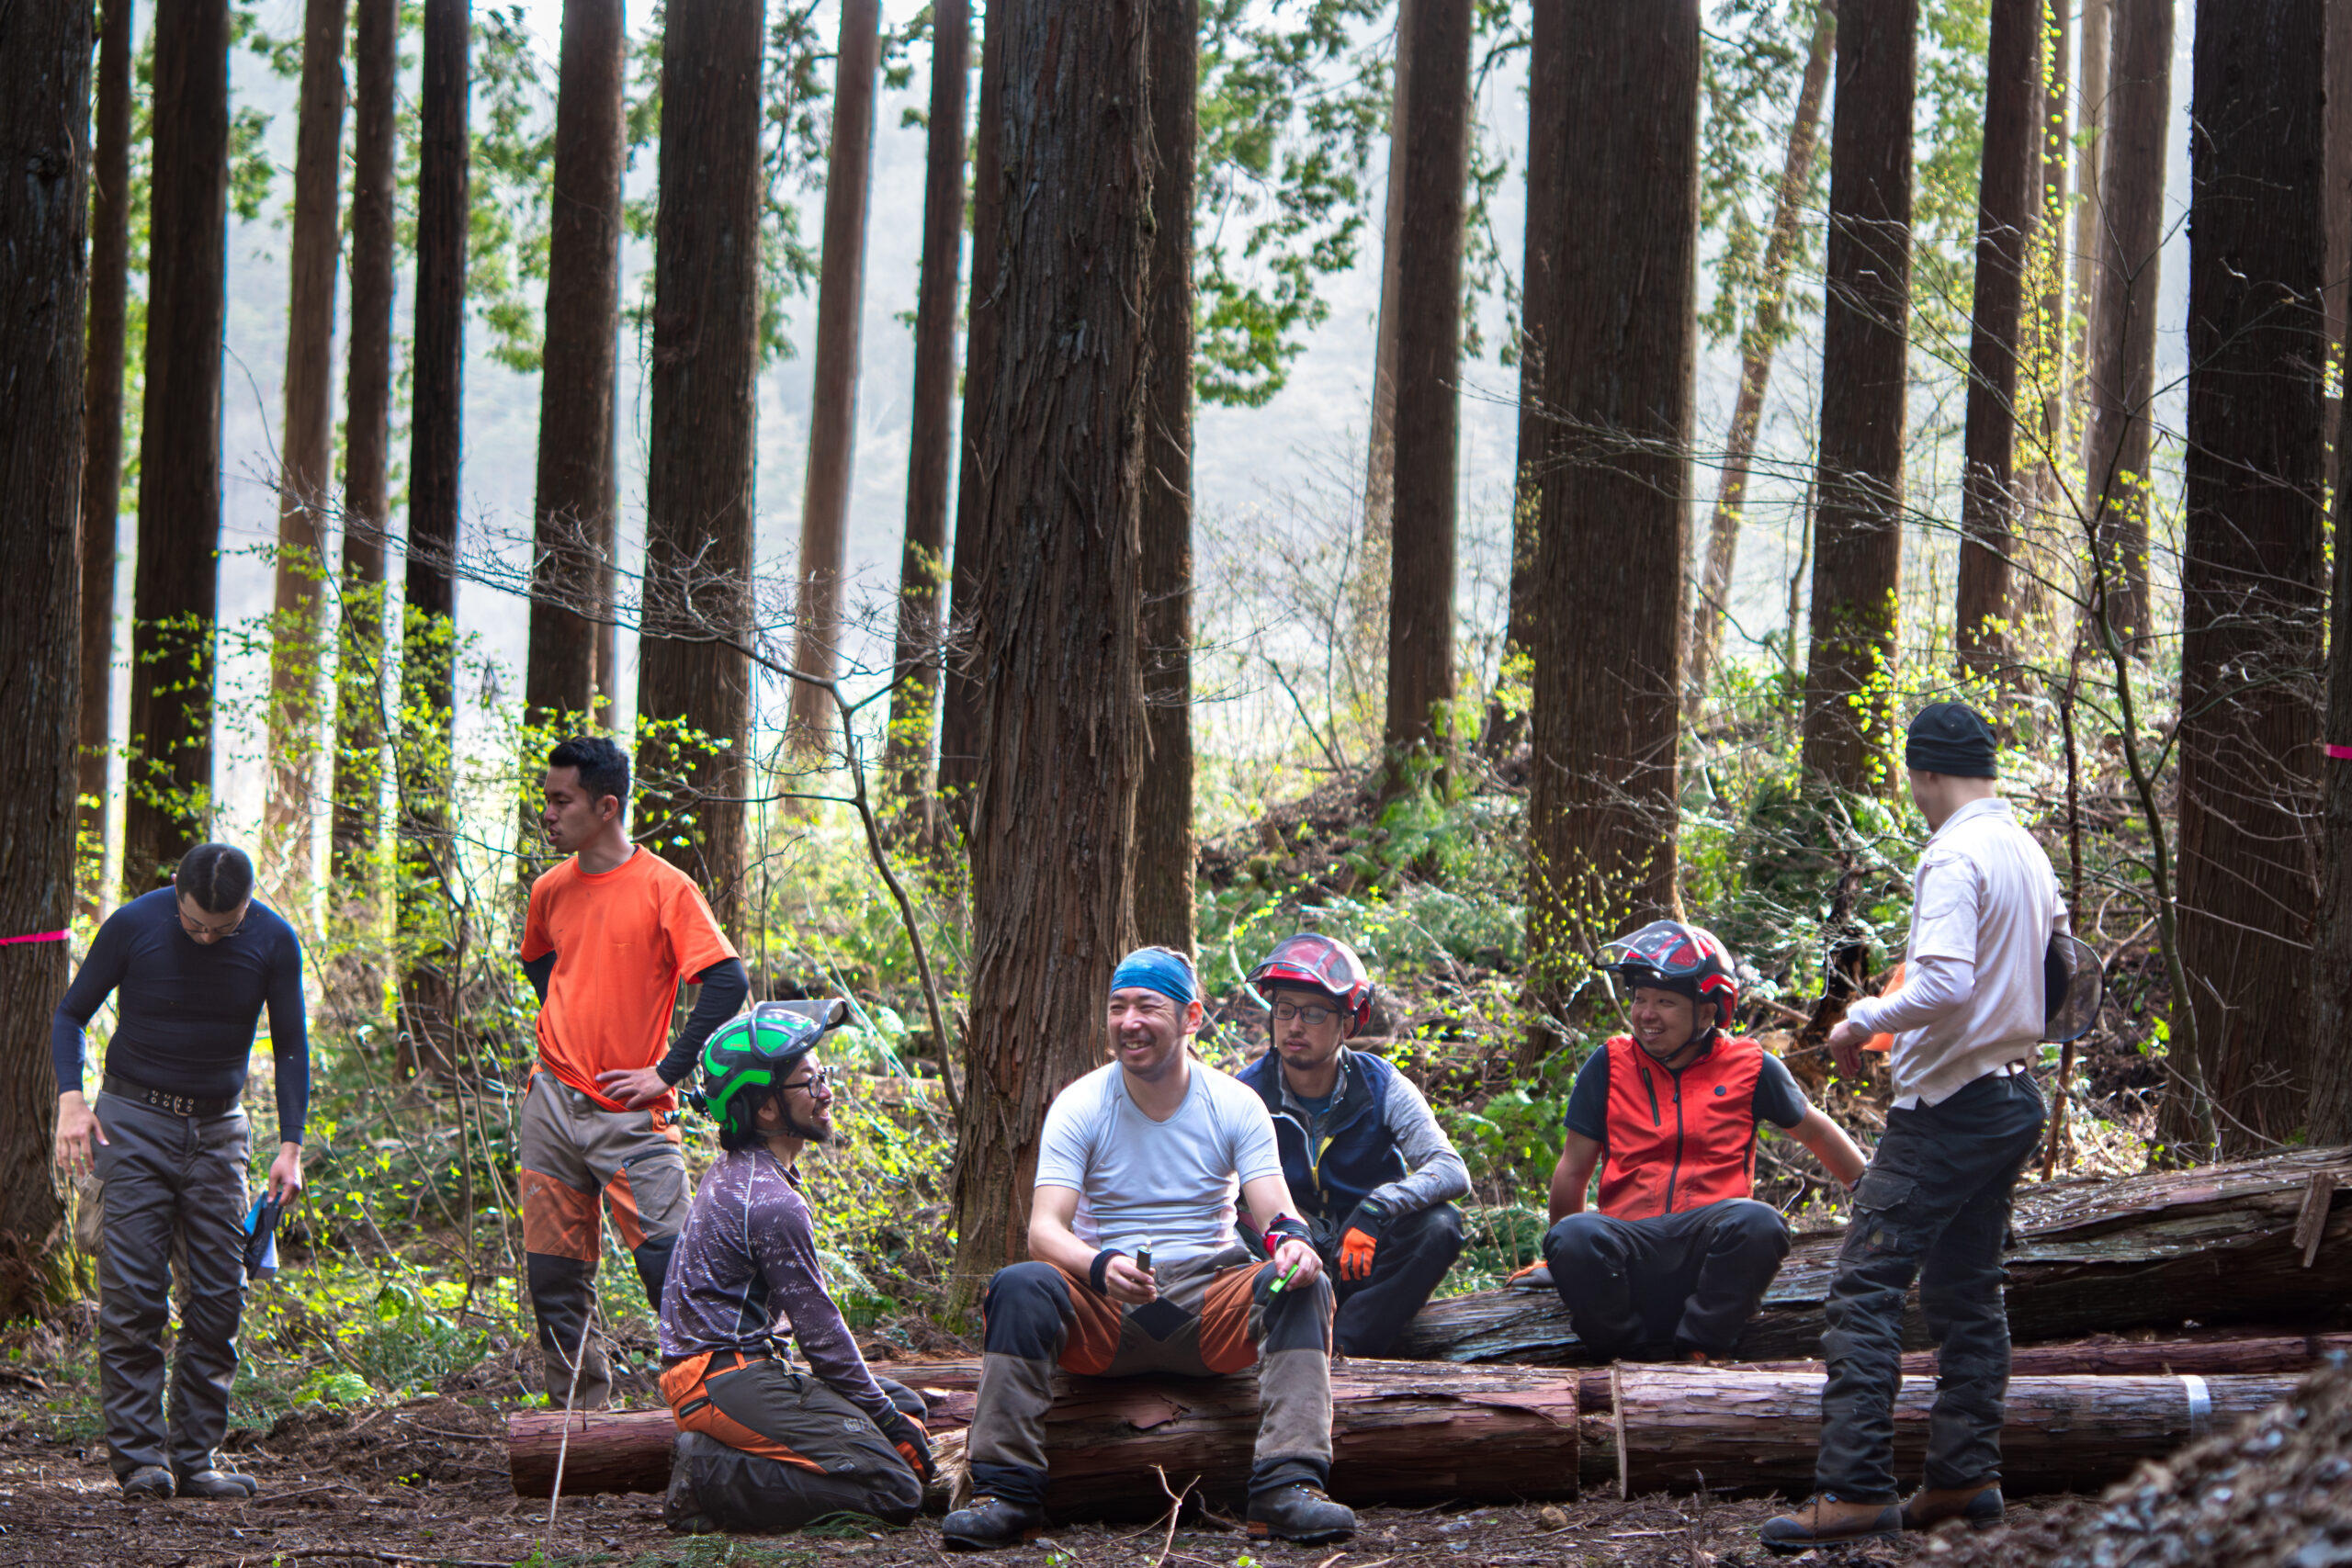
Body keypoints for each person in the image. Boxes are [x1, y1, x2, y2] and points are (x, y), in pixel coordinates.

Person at [1761, 704, 2062, 1552]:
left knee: (1864, 1284)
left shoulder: (1955, 852)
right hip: (2010, 1098)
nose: (1916, 794)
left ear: (1927, 771)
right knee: (1968, 1290)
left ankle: (1855, 1489)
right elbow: (2069, 974)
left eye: (1913, 779)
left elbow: (1945, 983)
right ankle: (1965, 1476)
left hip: (1948, 1109)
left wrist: (1860, 1019)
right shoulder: (2027, 852)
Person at [944, 946, 1356, 1550]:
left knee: (1301, 1282)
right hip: (1106, 1305)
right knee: (1020, 1284)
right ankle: (1004, 1492)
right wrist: (1099, 1263)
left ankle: (1287, 1486)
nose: (1128, 1020)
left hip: (1208, 1303)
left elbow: (1275, 1211)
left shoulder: (1235, 1104)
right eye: (1117, 1007)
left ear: (1190, 1018)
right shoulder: (1081, 1104)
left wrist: (1293, 1243)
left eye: (1146, 1006)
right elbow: (1045, 1229)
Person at [51, 843, 308, 1502]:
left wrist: (291, 1144)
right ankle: (141, 1462)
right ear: (175, 890)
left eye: (222, 928)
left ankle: (195, 1460)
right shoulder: (136, 924)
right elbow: (70, 1013)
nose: (205, 936)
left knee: (221, 1298)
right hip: (131, 1123)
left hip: (221, 1131)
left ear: (248, 904)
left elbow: (289, 1049)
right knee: (134, 1300)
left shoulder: (275, 940)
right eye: (195, 924)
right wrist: (71, 1099)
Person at [1516, 920, 1867, 1365]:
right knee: (1573, 1235)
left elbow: (1814, 1130)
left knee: (1760, 1222)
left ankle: (1701, 1349)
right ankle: (1628, 1357)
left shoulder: (1750, 1065)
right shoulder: (1609, 1064)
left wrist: (1871, 1193)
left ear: (1708, 1011)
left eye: (1665, 1002)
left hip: (1708, 1247)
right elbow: (1572, 1169)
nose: (1646, 1013)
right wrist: (1558, 1263)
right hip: (1629, 1247)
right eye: (1640, 999)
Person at [519, 735, 749, 1409]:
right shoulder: (549, 889)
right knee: (554, 1277)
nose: (549, 814)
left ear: (607, 805)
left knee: (672, 1267)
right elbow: (542, 963)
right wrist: (572, 1025)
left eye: (562, 801)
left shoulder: (665, 888)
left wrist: (665, 1070)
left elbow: (726, 979)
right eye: (548, 799)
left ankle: (720, 1406)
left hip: (632, 1115)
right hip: (551, 1105)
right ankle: (580, 1426)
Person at [657, 999, 933, 1534]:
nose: (827, 1092)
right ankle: (709, 1474)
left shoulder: (751, 1171)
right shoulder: (769, 1200)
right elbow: (822, 1337)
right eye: (810, 1082)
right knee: (894, 1487)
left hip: (740, 1369)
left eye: (823, 1075)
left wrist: (887, 1412)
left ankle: (730, 1461)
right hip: (720, 1379)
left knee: (903, 1402)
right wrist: (886, 1424)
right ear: (765, 1109)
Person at [1233, 932, 1469, 1357]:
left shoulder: (1381, 1085)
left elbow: (1450, 1168)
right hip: (1283, 1257)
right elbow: (1214, 1191)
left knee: (1440, 1226)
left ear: (1348, 1022)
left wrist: (1378, 1208)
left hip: (1364, 1256)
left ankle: (1346, 1344)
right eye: (1284, 1009)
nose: (1294, 1025)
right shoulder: (1245, 1094)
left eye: (1313, 1014)